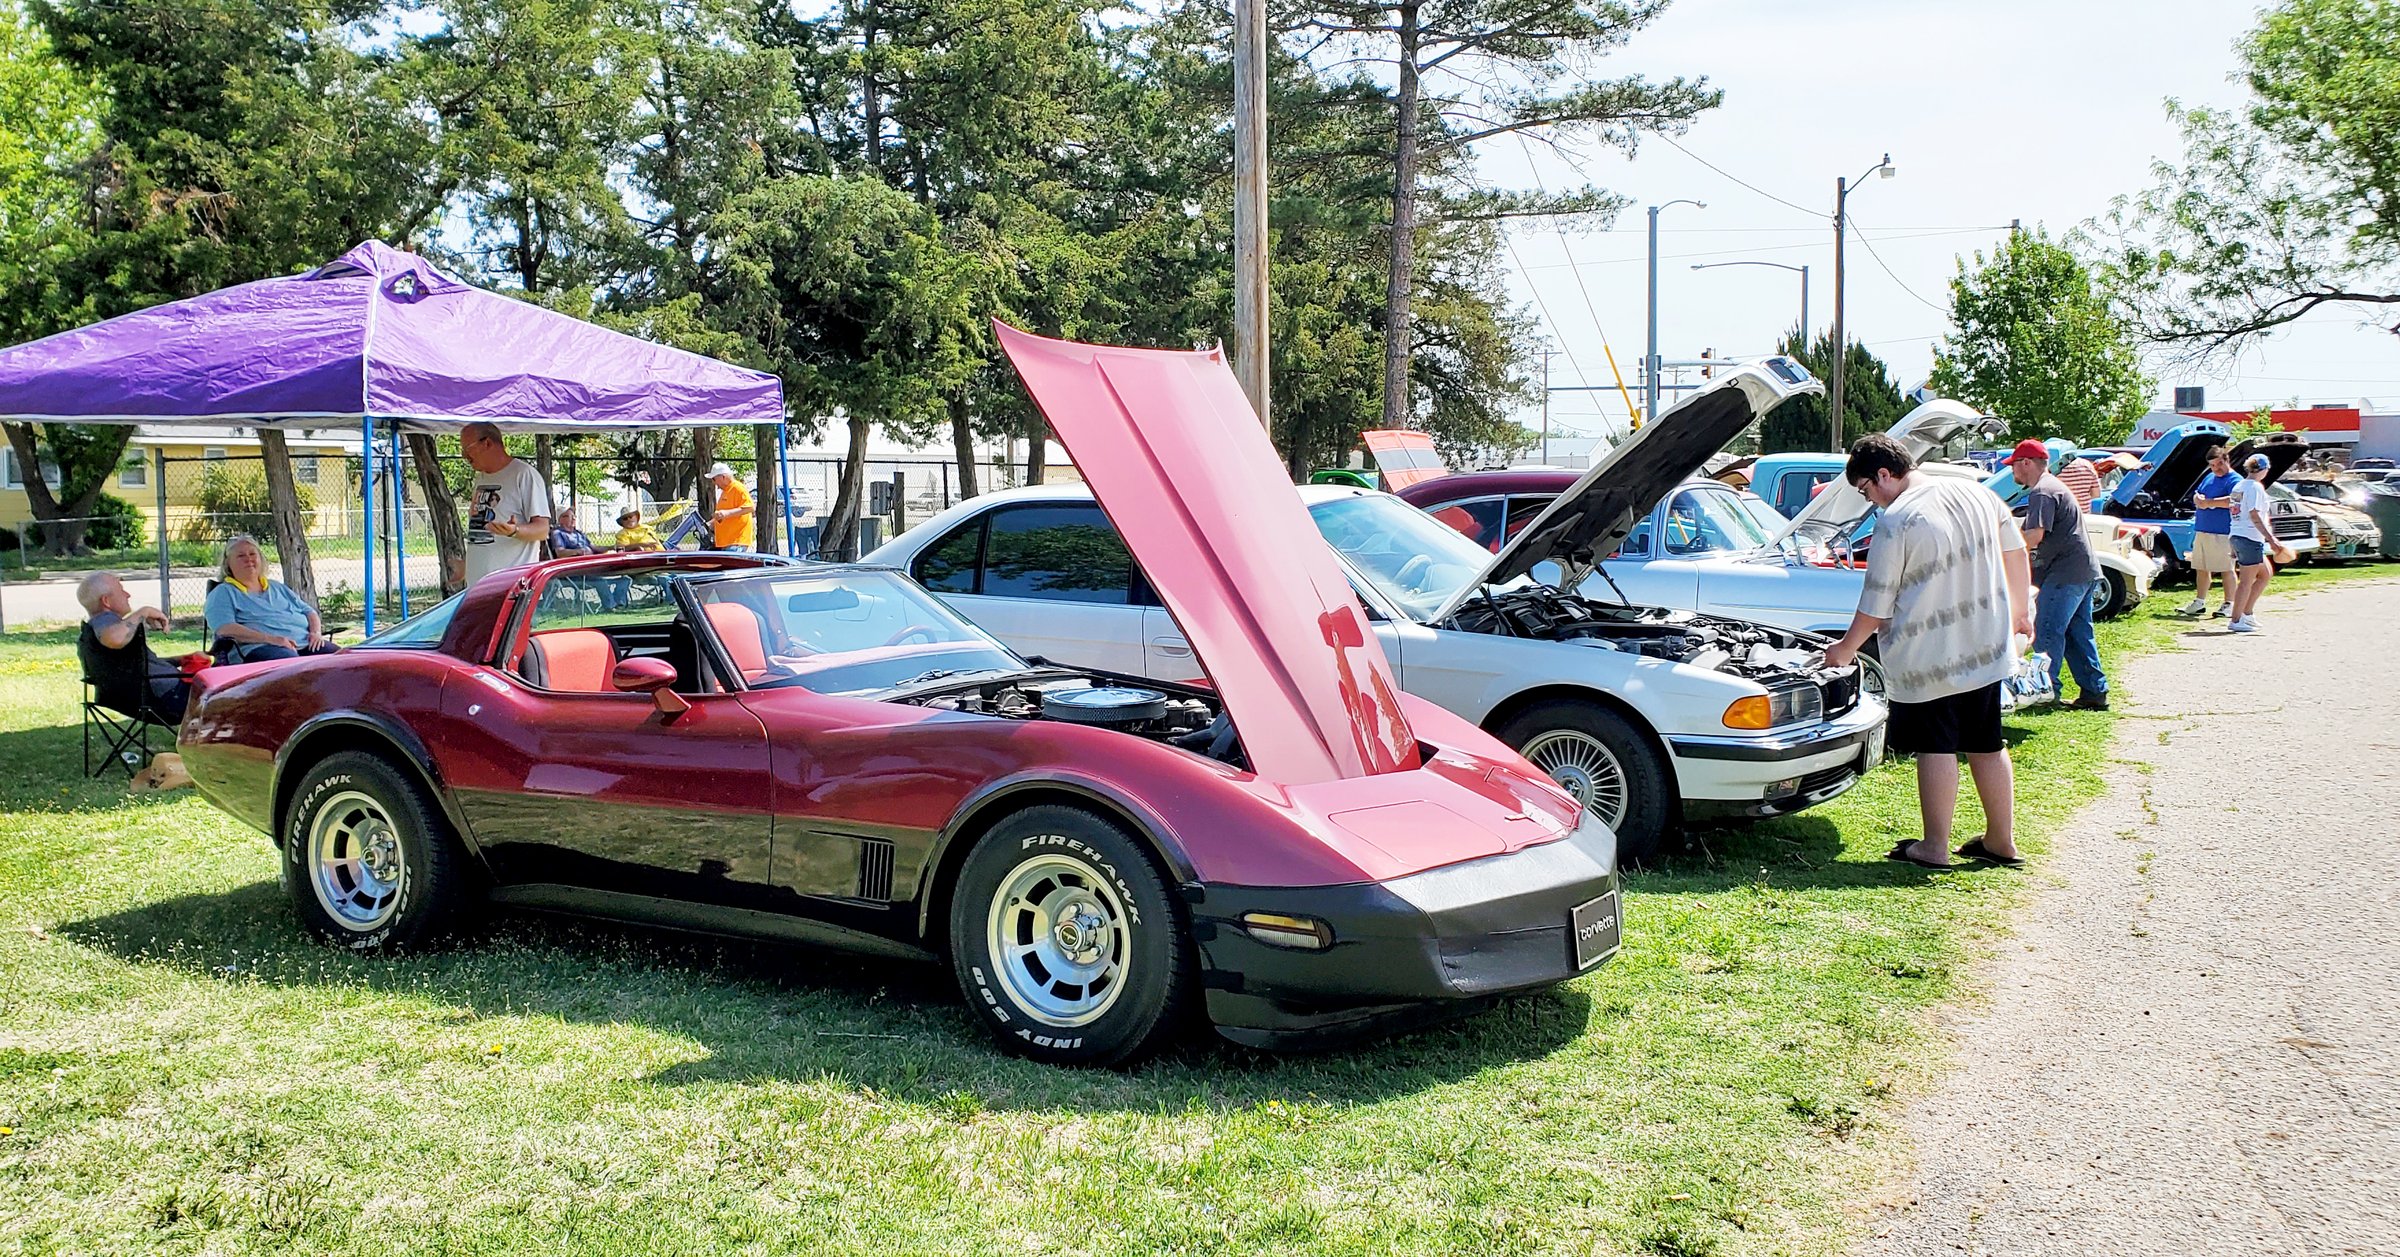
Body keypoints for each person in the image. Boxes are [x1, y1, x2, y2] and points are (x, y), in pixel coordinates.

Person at [1824, 434, 2033, 870]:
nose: (1872, 501)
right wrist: (2019, 614)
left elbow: (1878, 601)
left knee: (1935, 746)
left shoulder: (1897, 519)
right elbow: (2015, 553)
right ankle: (2001, 840)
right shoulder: (1978, 493)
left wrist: (1845, 649)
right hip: (1986, 644)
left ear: (1884, 474)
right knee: (1987, 743)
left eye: (1866, 490)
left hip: (1929, 651)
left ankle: (1935, 846)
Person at [2010, 439, 2108, 710]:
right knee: (2078, 634)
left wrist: (2002, 542)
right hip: (2082, 569)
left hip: (2064, 573)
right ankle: (2094, 692)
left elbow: (2034, 536)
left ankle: (2046, 691)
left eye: (2013, 466)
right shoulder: (2053, 486)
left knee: (2048, 632)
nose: (2012, 473)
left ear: (2026, 463)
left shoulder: (2042, 491)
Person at [77, 572, 193, 720]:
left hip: (132, 699)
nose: (128, 595)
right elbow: (114, 639)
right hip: (169, 699)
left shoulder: (95, 629)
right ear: (106, 601)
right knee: (228, 688)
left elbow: (137, 667)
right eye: (121, 590)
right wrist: (144, 611)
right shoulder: (104, 621)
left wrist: (181, 659)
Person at [204, 535, 336, 663]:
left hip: (306, 643)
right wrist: (272, 639)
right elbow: (225, 629)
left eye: (252, 554)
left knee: (344, 660)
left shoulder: (277, 587)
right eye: (241, 556)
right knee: (292, 665)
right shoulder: (222, 593)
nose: (248, 559)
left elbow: (309, 612)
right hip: (260, 649)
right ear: (228, 563)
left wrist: (316, 633)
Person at [455, 421, 552, 587]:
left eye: (467, 449)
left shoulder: (524, 474)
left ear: (487, 443)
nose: (464, 456)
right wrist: (467, 566)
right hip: (478, 586)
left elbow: (543, 530)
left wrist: (515, 531)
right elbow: (483, 535)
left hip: (509, 588)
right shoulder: (481, 478)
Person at [2228, 452, 2287, 633]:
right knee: (2246, 580)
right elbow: (2254, 515)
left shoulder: (2239, 485)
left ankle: (2247, 613)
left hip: (2239, 535)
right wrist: (2272, 539)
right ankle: (2236, 619)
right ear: (2265, 469)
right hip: (2249, 537)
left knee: (2266, 573)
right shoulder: (2255, 487)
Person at [2183, 445, 2240, 618]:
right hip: (2203, 529)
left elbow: (2233, 500)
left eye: (2219, 464)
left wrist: (2209, 502)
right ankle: (2199, 602)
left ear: (2227, 460)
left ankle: (2230, 603)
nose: (2216, 468)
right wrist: (2198, 499)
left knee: (2226, 568)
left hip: (2222, 531)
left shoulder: (2235, 479)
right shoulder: (2209, 477)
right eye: (2213, 465)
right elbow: (2197, 493)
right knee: (2201, 567)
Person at [707, 461, 755, 551]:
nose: (714, 483)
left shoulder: (738, 488)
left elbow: (750, 508)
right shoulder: (725, 491)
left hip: (736, 542)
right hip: (727, 542)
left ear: (723, 477)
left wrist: (726, 513)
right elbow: (724, 514)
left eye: (714, 479)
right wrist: (711, 523)